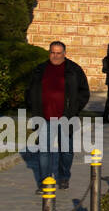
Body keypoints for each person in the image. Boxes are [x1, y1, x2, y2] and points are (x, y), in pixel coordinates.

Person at [25, 42, 90, 191]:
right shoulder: (40, 69)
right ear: (49, 53)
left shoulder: (74, 70)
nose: (55, 56)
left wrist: (74, 109)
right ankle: (45, 181)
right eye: (53, 52)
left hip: (66, 118)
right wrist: (33, 106)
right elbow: (29, 90)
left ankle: (64, 176)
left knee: (66, 152)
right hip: (44, 118)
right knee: (44, 151)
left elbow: (84, 92)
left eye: (58, 53)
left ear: (64, 53)